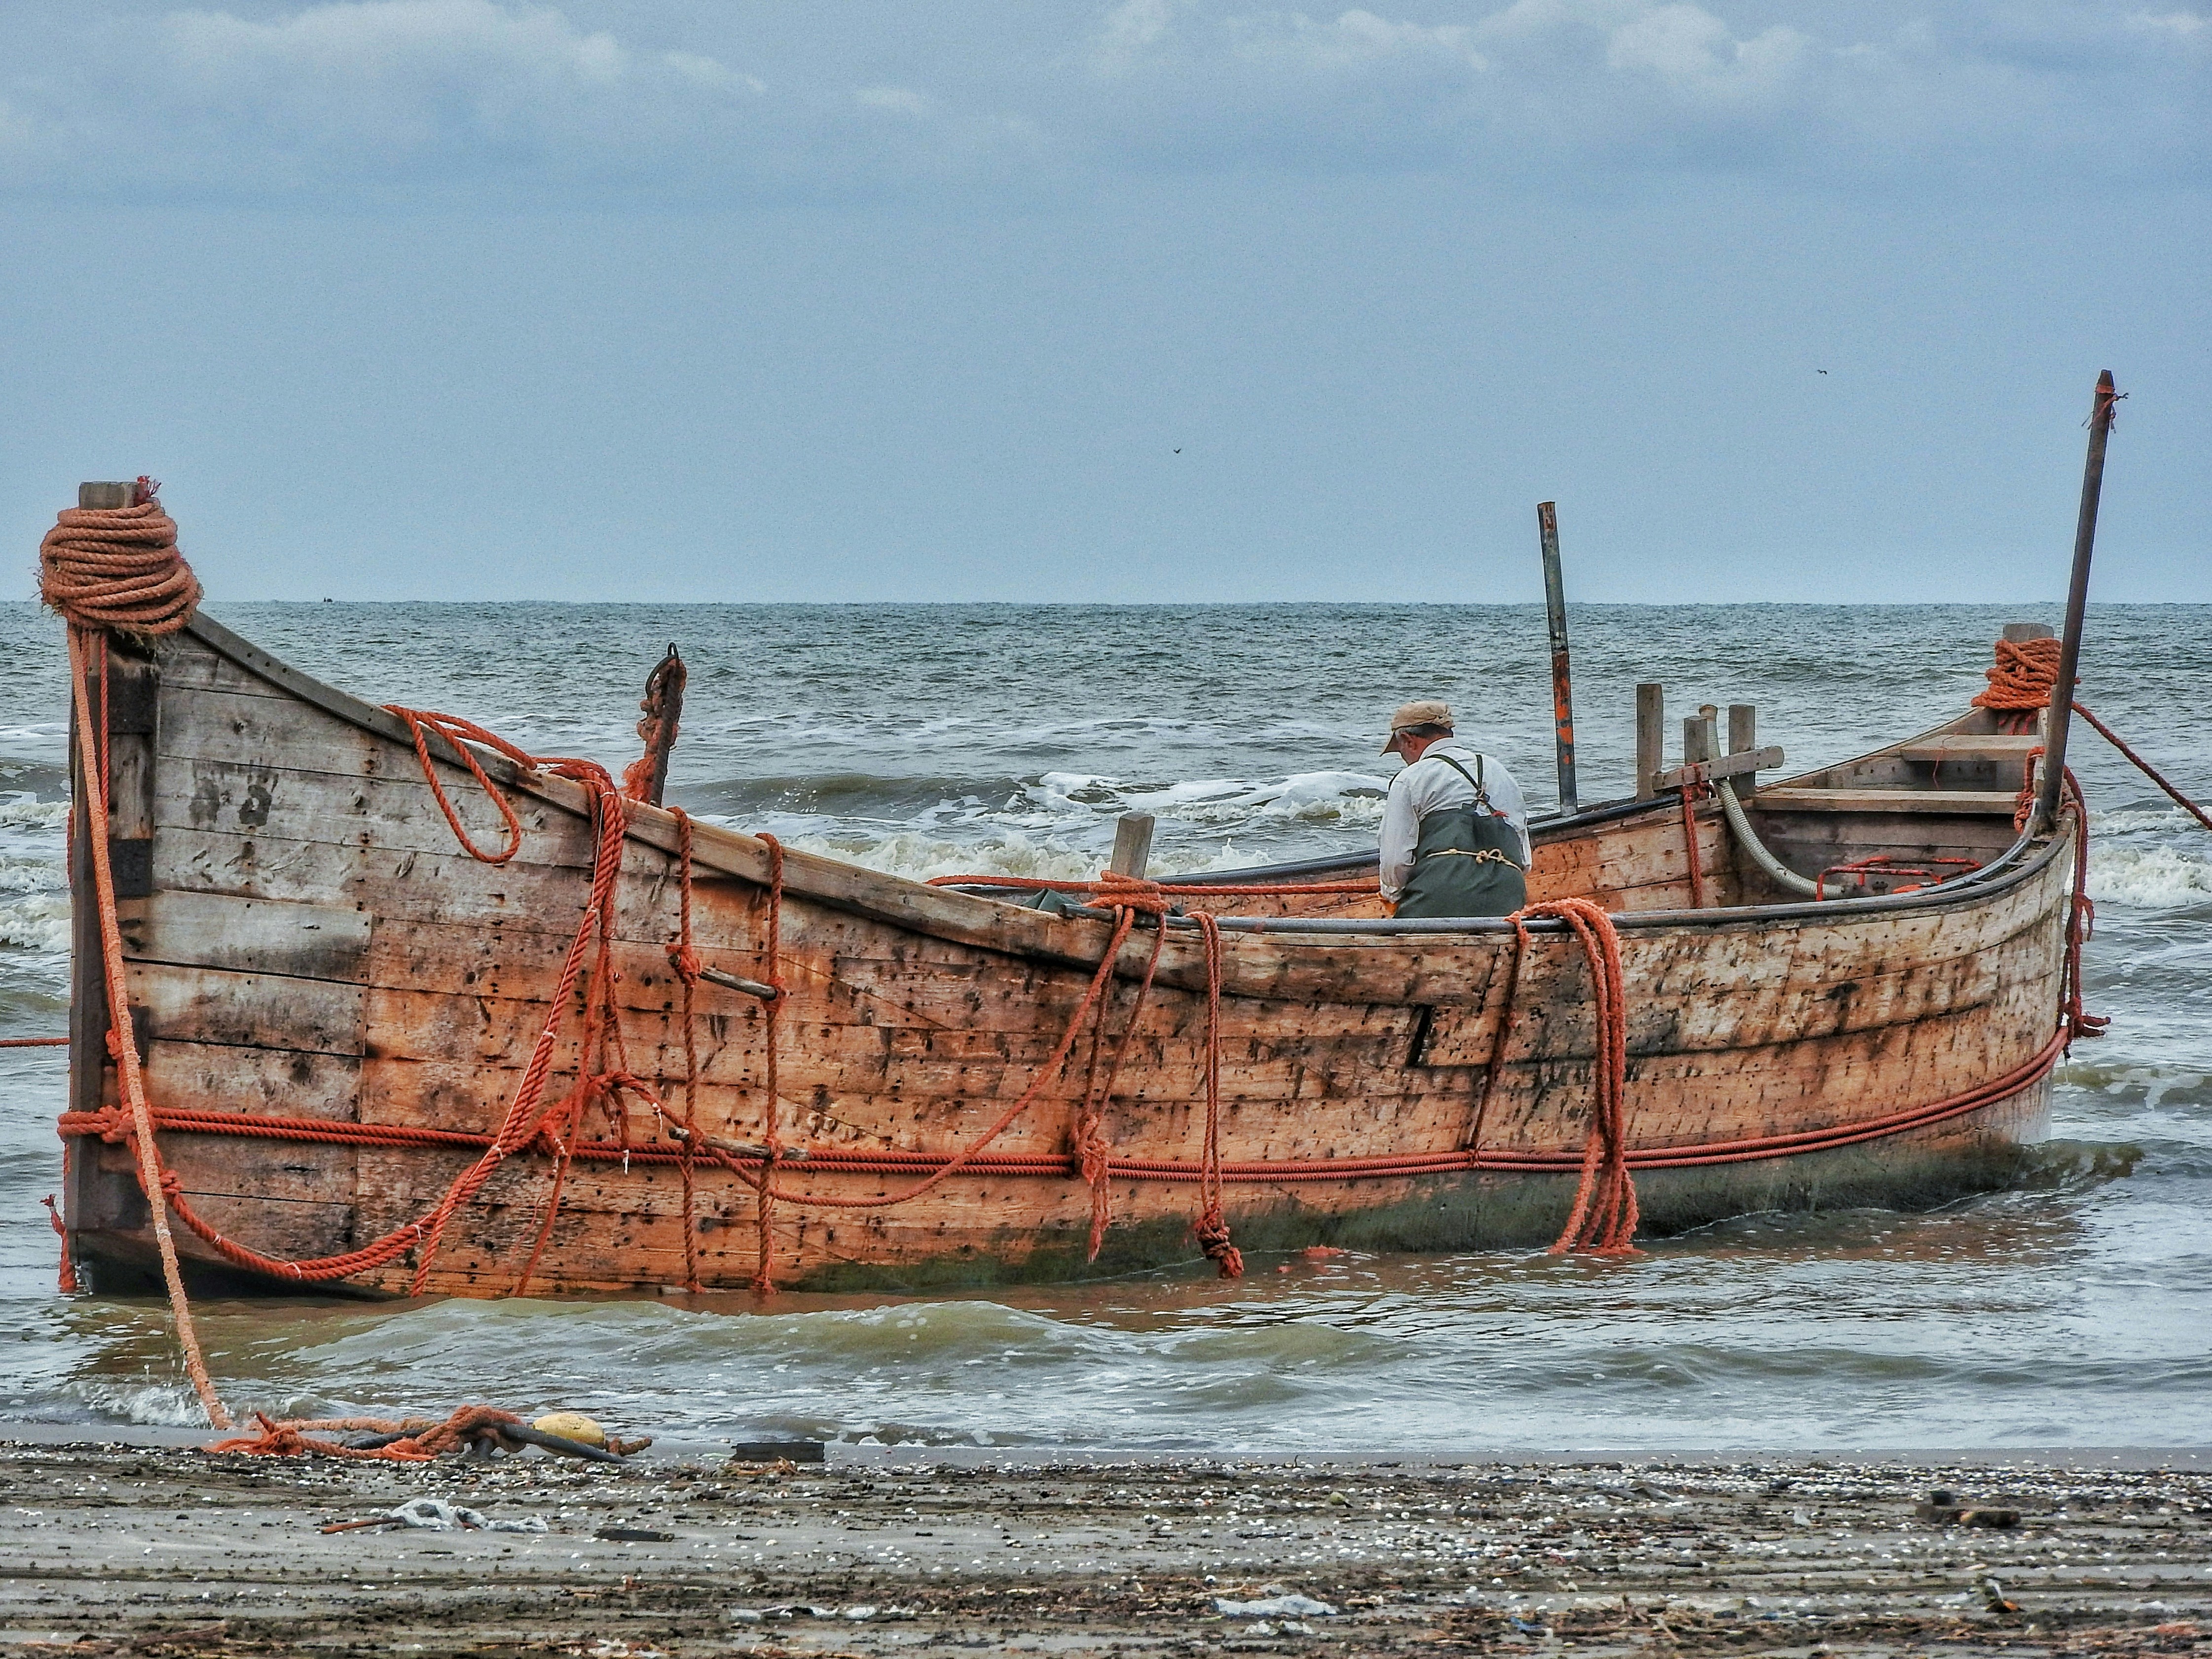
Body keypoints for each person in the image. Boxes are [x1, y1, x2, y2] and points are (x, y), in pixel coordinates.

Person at [1377, 700, 1531, 919]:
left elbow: (1396, 862)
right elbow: (1524, 861)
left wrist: (1393, 896)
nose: (1404, 760)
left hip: (1439, 902)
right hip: (1509, 901)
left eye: (1400, 751)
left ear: (1408, 740)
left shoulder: (1411, 778)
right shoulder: (1500, 772)